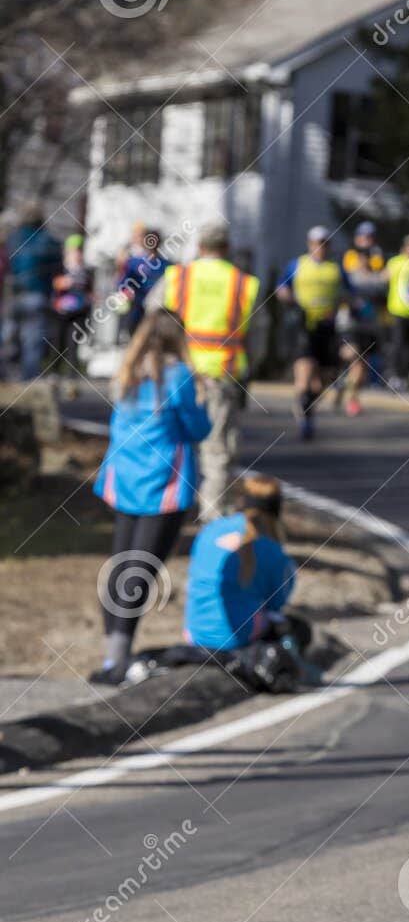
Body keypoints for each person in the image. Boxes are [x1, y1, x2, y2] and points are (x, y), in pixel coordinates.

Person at [91, 310, 211, 684]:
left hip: (124, 480)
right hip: (164, 486)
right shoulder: (180, 378)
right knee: (140, 573)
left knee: (121, 568)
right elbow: (197, 428)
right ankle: (117, 664)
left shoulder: (127, 373)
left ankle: (113, 655)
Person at [161, 220, 259, 522]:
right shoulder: (244, 283)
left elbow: (156, 323)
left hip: (177, 373)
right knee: (217, 451)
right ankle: (212, 518)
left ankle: (171, 510)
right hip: (221, 375)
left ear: (199, 247)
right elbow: (256, 337)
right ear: (226, 248)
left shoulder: (177, 277)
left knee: (172, 442)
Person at [184, 473, 297, 652]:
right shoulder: (272, 550)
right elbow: (278, 602)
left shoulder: (209, 530)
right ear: (276, 509)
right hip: (238, 636)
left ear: (241, 500)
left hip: (194, 632)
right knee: (289, 626)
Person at [276, 226, 350, 440]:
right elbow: (281, 287)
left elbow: (348, 293)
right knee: (305, 373)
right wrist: (290, 301)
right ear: (310, 244)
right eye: (318, 243)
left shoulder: (335, 269)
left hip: (327, 328)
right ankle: (303, 411)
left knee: (324, 379)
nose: (321, 247)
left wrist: (344, 305)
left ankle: (307, 405)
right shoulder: (297, 265)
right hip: (303, 328)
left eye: (325, 243)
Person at [6, 204, 62, 380]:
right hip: (37, 295)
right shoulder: (48, 241)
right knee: (32, 341)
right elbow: (58, 268)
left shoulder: (13, 240)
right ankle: (28, 380)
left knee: (9, 336)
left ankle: (7, 374)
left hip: (14, 294)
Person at [338, 220, 388, 414]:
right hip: (349, 322)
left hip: (368, 323)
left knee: (361, 362)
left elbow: (382, 290)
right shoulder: (348, 268)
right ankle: (344, 378)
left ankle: (350, 393)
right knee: (353, 356)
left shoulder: (377, 271)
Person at [48, 233, 93, 388]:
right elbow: (53, 285)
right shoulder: (60, 267)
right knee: (58, 342)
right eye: (74, 250)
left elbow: (89, 290)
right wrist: (62, 283)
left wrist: (90, 298)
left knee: (73, 342)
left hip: (79, 312)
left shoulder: (86, 271)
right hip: (61, 312)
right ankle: (54, 372)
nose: (77, 254)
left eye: (79, 251)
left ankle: (72, 375)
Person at [114, 223, 167, 339]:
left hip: (158, 312)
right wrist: (126, 291)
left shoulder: (167, 266)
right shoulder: (133, 262)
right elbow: (122, 283)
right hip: (137, 310)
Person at [384, 231, 409, 388]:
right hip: (397, 310)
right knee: (398, 345)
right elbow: (383, 278)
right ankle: (394, 374)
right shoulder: (395, 262)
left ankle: (405, 375)